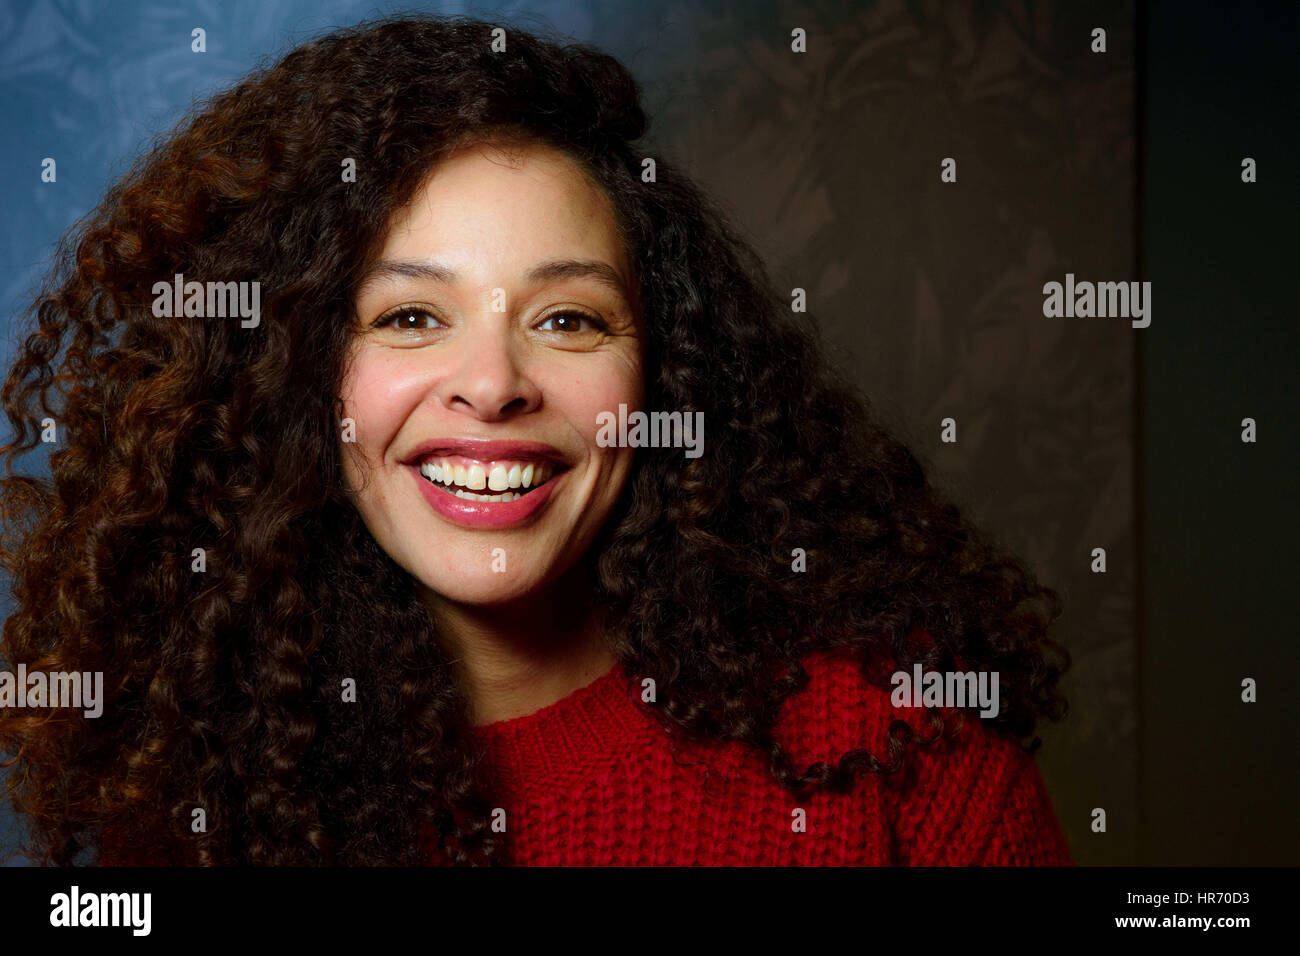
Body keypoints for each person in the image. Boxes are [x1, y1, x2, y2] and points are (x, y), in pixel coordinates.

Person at [0, 13, 1071, 866]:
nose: (495, 385)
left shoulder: (902, 760)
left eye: (567, 318)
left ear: (665, 370)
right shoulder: (202, 791)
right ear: (287, 376)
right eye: (409, 315)